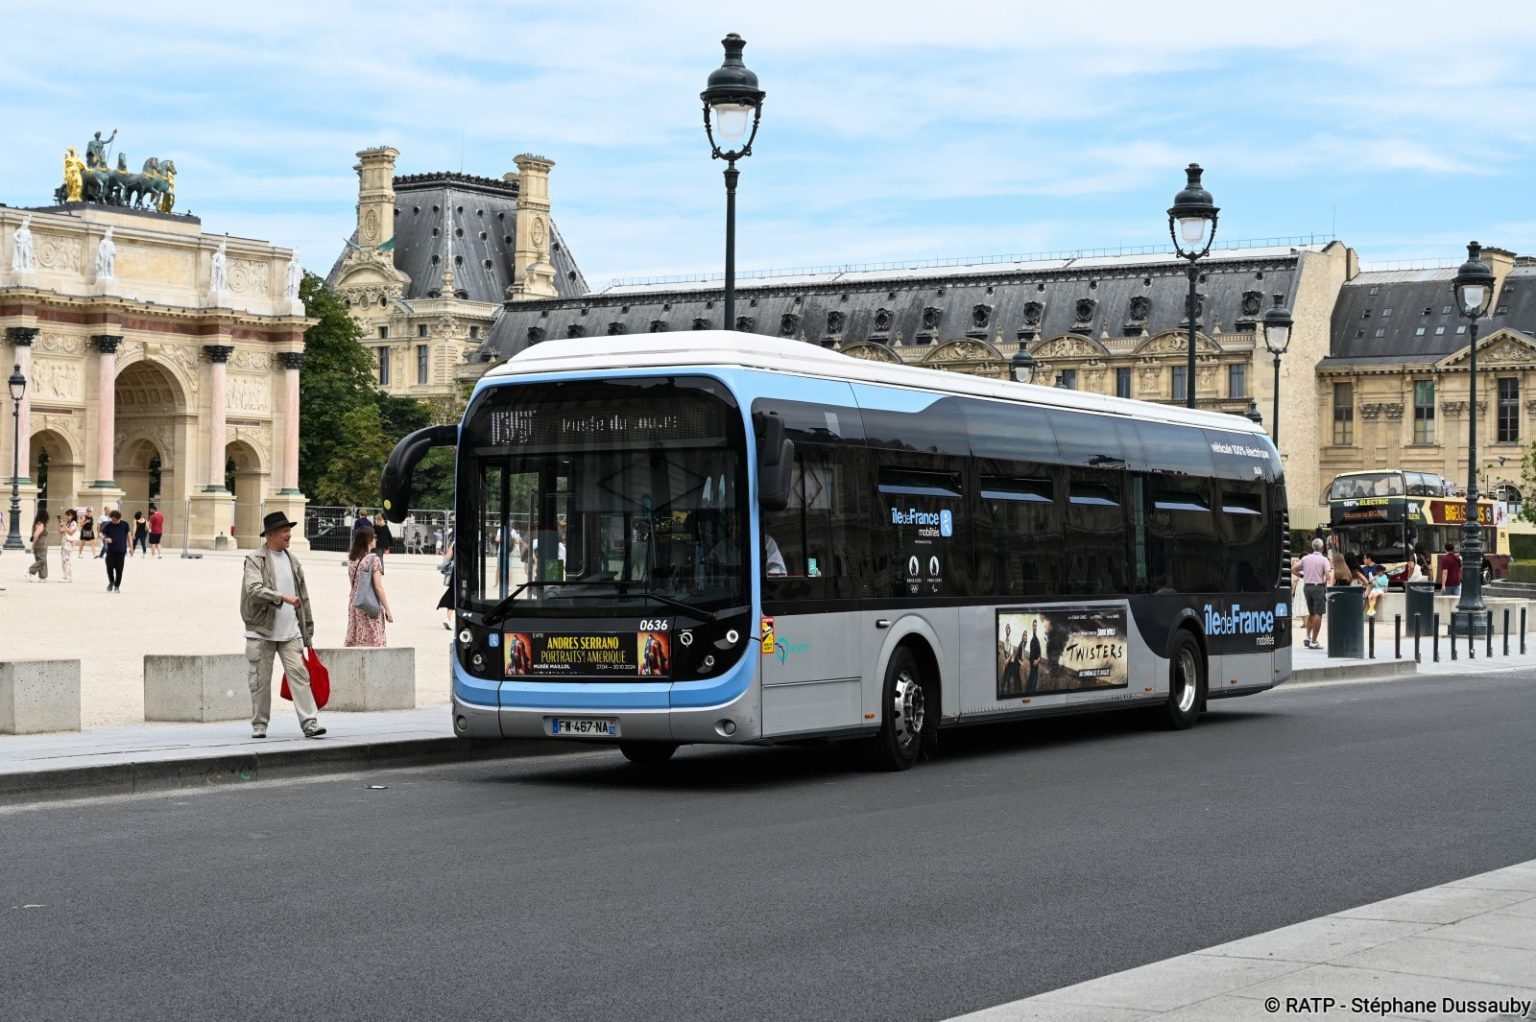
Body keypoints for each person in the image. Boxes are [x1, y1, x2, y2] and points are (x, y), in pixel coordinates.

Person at [241, 511, 324, 739]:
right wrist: (281, 597)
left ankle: (310, 723)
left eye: (289, 530)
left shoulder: (292, 559)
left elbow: (303, 597)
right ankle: (260, 725)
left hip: (290, 632)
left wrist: (307, 629)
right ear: (271, 534)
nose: (289, 535)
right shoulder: (254, 560)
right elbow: (254, 589)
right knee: (259, 682)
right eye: (285, 530)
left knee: (300, 676)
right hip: (261, 631)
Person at [344, 525, 393, 647]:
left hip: (355, 602)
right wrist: (387, 609)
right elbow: (378, 587)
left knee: (357, 639)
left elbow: (353, 585)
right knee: (373, 640)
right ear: (368, 539)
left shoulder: (352, 559)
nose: (376, 539)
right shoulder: (373, 559)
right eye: (374, 537)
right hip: (369, 603)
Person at [1292, 538, 1335, 650]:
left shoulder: (1306, 558)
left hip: (1307, 587)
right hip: (1318, 587)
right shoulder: (1324, 560)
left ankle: (1307, 637)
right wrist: (1326, 578)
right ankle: (1314, 641)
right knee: (1318, 614)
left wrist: (1302, 575)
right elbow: (1328, 575)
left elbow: (1293, 569)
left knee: (1311, 612)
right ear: (1322, 548)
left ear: (1313, 547)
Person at [99, 508, 130, 592]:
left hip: (121, 550)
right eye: (112, 519)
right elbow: (100, 534)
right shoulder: (108, 525)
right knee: (109, 567)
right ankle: (111, 582)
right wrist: (105, 538)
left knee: (119, 569)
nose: (113, 521)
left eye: (115, 519)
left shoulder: (125, 524)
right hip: (111, 551)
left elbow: (129, 535)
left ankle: (117, 586)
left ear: (118, 518)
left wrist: (131, 547)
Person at [26, 510, 49, 581]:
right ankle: (30, 571)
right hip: (41, 544)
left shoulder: (37, 523)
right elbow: (36, 535)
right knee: (42, 561)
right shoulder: (41, 524)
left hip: (39, 544)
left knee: (40, 560)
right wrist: (33, 544)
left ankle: (42, 577)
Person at [438, 537, 455, 629]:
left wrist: (443, 567)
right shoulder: (471, 541)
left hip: (455, 572)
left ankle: (448, 618)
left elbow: (447, 557)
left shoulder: (455, 542)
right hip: (466, 572)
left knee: (452, 594)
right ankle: (448, 618)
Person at [58, 509, 78, 583]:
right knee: (64, 560)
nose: (66, 516)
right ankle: (65, 575)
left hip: (69, 543)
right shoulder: (67, 523)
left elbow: (71, 532)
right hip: (64, 543)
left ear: (72, 516)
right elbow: (60, 531)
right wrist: (61, 525)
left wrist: (64, 526)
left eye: (68, 515)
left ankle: (68, 577)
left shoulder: (74, 523)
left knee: (66, 559)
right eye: (66, 515)